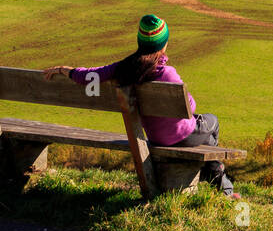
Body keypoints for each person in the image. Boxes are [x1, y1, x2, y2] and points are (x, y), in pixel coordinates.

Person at [43, 14, 238, 198]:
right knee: (212, 121)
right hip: (183, 136)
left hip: (154, 137)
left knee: (204, 129)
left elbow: (90, 76)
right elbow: (190, 107)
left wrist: (64, 70)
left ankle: (215, 176)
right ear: (163, 44)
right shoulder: (167, 73)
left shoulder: (124, 68)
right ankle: (221, 183)